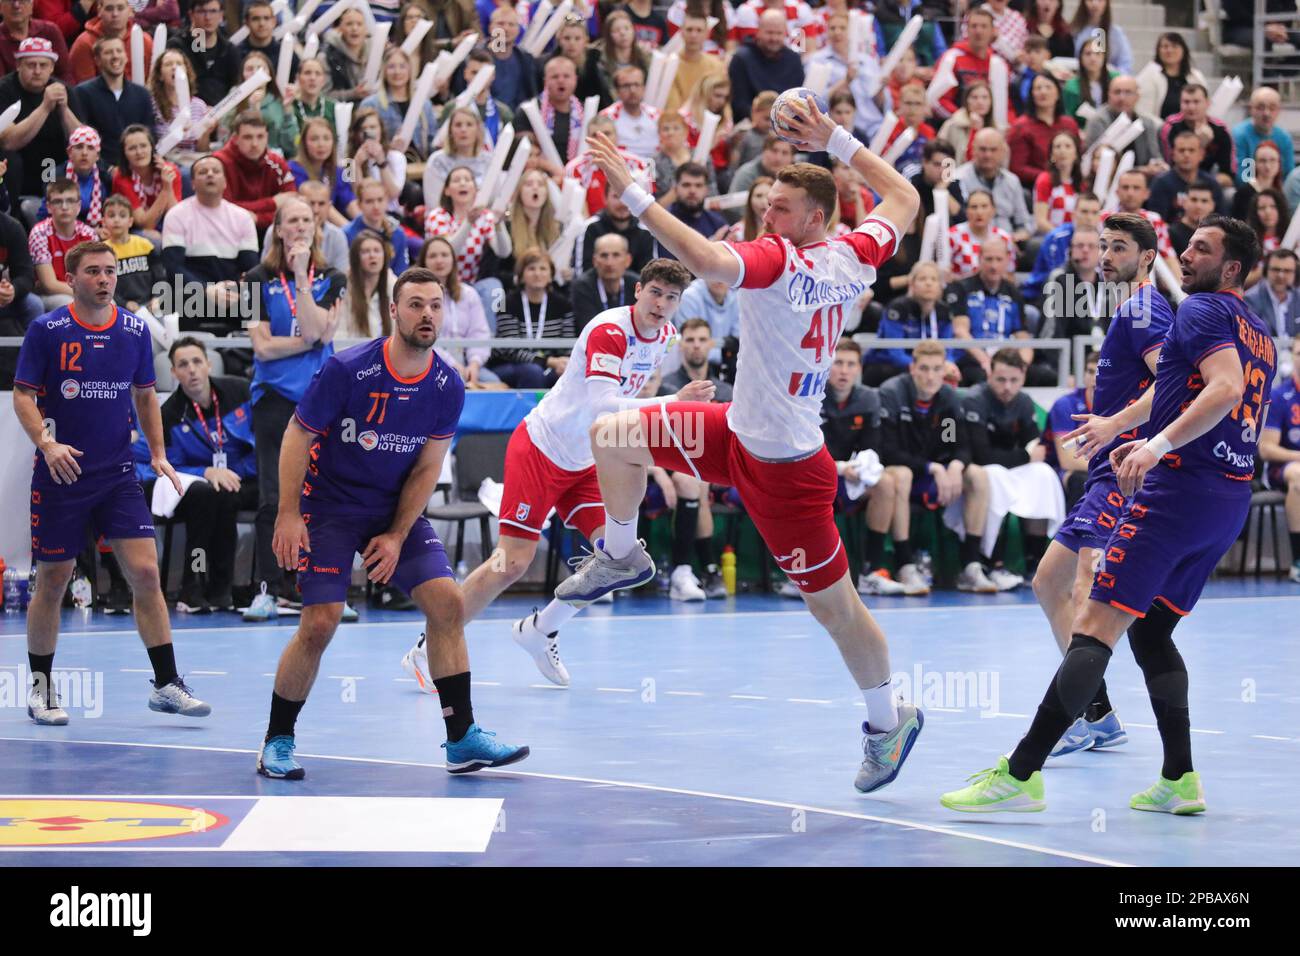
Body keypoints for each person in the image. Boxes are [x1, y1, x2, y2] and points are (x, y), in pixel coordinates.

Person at [558, 95, 926, 793]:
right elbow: (903, 193)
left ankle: (888, 721)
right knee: (612, 433)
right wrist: (833, 138)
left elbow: (699, 255)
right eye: (766, 206)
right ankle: (620, 552)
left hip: (789, 471)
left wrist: (629, 189)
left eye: (781, 209)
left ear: (814, 219)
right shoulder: (855, 252)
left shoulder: (784, 262)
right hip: (734, 432)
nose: (768, 217)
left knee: (836, 610)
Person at [941, 215, 1270, 816]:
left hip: (1175, 492)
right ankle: (1179, 779)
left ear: (1231, 269)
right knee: (1148, 629)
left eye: (1201, 248)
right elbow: (1197, 387)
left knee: (1093, 624)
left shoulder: (1192, 311)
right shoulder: (1259, 330)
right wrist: (1125, 427)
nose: (1185, 253)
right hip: (1228, 497)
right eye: (1187, 241)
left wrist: (1152, 445)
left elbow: (1221, 390)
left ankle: (1020, 775)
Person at [257, 267, 529, 780]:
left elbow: (428, 467)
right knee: (320, 622)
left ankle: (462, 738)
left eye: (435, 305)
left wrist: (398, 533)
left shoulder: (446, 384)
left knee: (447, 605)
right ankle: (277, 739)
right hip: (328, 505)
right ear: (394, 312)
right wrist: (288, 514)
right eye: (416, 304)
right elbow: (298, 436)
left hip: (391, 509)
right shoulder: (347, 369)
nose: (427, 314)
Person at [401, 258, 702, 688]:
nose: (661, 303)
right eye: (655, 292)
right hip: (542, 449)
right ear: (638, 292)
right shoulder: (609, 331)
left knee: (619, 560)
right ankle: (428, 645)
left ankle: (540, 630)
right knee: (511, 563)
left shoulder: (666, 336)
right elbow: (602, 404)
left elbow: (632, 402)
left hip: (586, 461)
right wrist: (674, 402)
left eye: (672, 297)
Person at [13, 241, 210, 725]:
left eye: (110, 272)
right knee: (54, 581)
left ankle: (166, 684)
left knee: (145, 572)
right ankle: (40, 690)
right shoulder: (47, 330)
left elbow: (145, 396)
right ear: (71, 276)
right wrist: (47, 443)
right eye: (94, 272)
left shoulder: (134, 331)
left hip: (118, 473)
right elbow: (22, 397)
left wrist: (159, 454)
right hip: (62, 473)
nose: (104, 279)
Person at [243, 195, 347, 621]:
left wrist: (304, 279)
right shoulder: (256, 277)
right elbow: (263, 348)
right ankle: (268, 588)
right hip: (273, 401)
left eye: (307, 220)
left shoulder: (333, 277)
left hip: (320, 399)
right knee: (273, 496)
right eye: (293, 221)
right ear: (279, 229)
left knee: (320, 496)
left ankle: (318, 586)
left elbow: (319, 333)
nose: (301, 226)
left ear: (315, 227)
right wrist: (308, 338)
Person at [150, 336, 258, 613]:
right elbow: (169, 464)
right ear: (173, 373)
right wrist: (207, 471)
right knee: (215, 497)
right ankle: (205, 586)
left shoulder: (241, 392)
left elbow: (262, 446)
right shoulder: (169, 414)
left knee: (276, 493)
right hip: (203, 486)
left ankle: (273, 585)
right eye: (183, 365)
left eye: (197, 362)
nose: (192, 370)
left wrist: (231, 472)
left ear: (209, 365)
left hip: (244, 476)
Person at [814, 339, 915, 597]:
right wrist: (838, 467)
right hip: (817, 475)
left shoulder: (869, 398)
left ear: (859, 368)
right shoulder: (812, 396)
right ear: (826, 365)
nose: (844, 371)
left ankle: (871, 572)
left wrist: (858, 467)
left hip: (852, 476)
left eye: (850, 364)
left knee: (886, 483)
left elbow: (873, 447)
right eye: (838, 363)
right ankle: (803, 574)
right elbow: (804, 447)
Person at [960, 348, 1061, 587]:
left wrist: (1026, 456)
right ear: (989, 375)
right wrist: (1025, 456)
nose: (1007, 387)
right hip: (981, 470)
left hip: (1011, 466)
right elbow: (982, 455)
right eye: (1001, 380)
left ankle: (1035, 562)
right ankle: (990, 562)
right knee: (994, 476)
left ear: (1023, 377)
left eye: (1014, 380)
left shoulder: (1024, 402)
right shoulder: (974, 400)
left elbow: (1036, 447)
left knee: (1043, 475)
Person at [159, 153, 259, 330]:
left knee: (256, 297)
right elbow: (174, 268)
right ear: (193, 183)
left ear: (225, 182)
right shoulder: (176, 215)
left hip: (230, 291)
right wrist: (206, 290)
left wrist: (232, 289)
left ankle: (247, 355)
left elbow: (250, 267)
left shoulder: (242, 217)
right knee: (171, 298)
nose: (210, 174)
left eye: (216, 171)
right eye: (203, 171)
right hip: (191, 292)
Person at [0, 36, 80, 207]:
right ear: (18, 65)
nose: (37, 71)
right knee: (11, 159)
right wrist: (44, 107)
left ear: (51, 68)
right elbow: (8, 141)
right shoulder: (4, 90)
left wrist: (64, 109)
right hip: (16, 166)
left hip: (50, 164)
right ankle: (12, 212)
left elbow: (83, 140)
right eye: (31, 65)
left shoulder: (63, 90)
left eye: (43, 65)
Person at [944, 235, 1034, 385]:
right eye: (989, 259)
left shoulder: (1013, 292)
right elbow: (960, 331)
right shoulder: (961, 288)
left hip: (1005, 358)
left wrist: (1022, 365)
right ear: (979, 259)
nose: (994, 266)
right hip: (972, 357)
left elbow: (1022, 335)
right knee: (981, 376)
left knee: (1045, 376)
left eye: (999, 260)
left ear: (1007, 261)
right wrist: (986, 361)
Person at [419, 234, 500, 387]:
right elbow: (423, 340)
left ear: (453, 260)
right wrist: (452, 364)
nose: (439, 260)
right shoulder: (418, 297)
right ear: (424, 261)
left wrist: (474, 363)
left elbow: (479, 333)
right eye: (433, 256)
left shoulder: (468, 294)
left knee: (495, 384)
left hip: (467, 364)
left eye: (444, 255)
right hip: (430, 364)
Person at [488, 249, 573, 387]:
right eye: (531, 269)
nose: (537, 274)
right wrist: (547, 361)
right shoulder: (507, 303)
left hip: (551, 364)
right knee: (533, 372)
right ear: (521, 276)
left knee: (567, 373)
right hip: (511, 365)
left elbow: (567, 344)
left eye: (543, 268)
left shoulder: (564, 305)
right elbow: (511, 350)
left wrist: (562, 362)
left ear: (551, 275)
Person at [865, 261, 955, 387]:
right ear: (912, 284)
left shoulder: (944, 311)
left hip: (927, 366)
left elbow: (948, 347)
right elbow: (895, 353)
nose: (928, 283)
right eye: (922, 279)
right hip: (889, 363)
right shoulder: (897, 308)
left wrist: (948, 364)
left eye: (934, 279)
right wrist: (922, 367)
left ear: (940, 286)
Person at [69, 35, 154, 167]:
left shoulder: (142, 94)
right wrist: (106, 169)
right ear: (97, 60)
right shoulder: (83, 93)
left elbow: (150, 134)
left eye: (119, 51)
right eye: (108, 52)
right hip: (99, 169)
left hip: (136, 168)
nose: (115, 56)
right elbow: (82, 136)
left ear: (126, 57)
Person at [214, 110, 298, 233]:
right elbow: (221, 210)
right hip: (229, 232)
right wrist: (273, 203)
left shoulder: (276, 162)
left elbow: (293, 207)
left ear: (267, 137)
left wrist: (259, 219)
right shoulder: (219, 163)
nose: (255, 144)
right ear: (235, 138)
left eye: (260, 137)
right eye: (248, 137)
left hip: (270, 230)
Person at [1260, 336, 1300, 583]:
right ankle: (1298, 560)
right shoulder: (1279, 395)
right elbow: (1266, 449)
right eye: (1299, 353)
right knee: (1298, 475)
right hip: (1282, 468)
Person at [29, 177, 96, 309]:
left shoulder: (89, 234)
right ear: (48, 207)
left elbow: (95, 275)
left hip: (83, 291)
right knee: (71, 305)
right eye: (58, 202)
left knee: (110, 305)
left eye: (70, 201)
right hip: (49, 296)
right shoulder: (40, 233)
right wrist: (87, 294)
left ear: (79, 206)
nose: (64, 207)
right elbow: (49, 285)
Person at [1044, 349, 1099, 510]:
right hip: (1060, 470)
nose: (1094, 378)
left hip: (1099, 466)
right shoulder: (1066, 405)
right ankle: (1073, 534)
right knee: (1082, 481)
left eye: (1101, 372)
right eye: (1090, 371)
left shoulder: (1122, 406)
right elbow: (1068, 459)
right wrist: (1109, 467)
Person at [727, 9, 803, 124]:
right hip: (752, 125)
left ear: (785, 33)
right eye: (769, 33)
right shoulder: (741, 59)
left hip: (787, 125)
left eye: (779, 33)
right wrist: (767, 122)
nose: (774, 38)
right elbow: (739, 104)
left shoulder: (794, 59)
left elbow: (798, 100)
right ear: (758, 31)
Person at [1007, 73, 1079, 190]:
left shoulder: (1069, 124)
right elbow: (1017, 167)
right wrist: (1049, 177)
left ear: (1057, 93)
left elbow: (1078, 157)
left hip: (1069, 183)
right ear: (1032, 94)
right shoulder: (1021, 127)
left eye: (1048, 87)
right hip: (1034, 187)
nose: (1043, 92)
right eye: (1038, 88)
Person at [111, 124, 181, 243]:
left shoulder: (170, 170)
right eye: (132, 148)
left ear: (152, 148)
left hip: (165, 222)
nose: (139, 152)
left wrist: (168, 184)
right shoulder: (121, 178)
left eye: (143, 146)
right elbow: (144, 224)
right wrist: (165, 190)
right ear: (125, 154)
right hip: (134, 229)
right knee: (156, 240)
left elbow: (177, 217)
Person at [1158, 84, 1237, 189]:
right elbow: (1171, 167)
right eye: (1186, 102)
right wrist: (1199, 145)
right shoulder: (1170, 127)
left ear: (1207, 103)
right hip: (1175, 182)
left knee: (1229, 193)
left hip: (1210, 182)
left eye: (1196, 102)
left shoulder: (1220, 129)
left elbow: (1229, 174)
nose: (1191, 107)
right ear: (1180, 104)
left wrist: (1205, 183)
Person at [168, 0, 238, 108]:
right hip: (186, 110)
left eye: (213, 11)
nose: (208, 17)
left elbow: (236, 86)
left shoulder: (229, 49)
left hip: (223, 112)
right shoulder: (178, 46)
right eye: (201, 11)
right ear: (191, 14)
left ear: (221, 14)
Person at [1148, 130, 1227, 225]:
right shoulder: (1161, 183)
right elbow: (1158, 222)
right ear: (1173, 154)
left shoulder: (1212, 184)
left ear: (1201, 154)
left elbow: (1222, 221)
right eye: (1181, 150)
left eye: (1191, 150)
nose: (1186, 155)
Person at [576, 177, 654, 272]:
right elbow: (582, 275)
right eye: (616, 196)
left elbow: (649, 276)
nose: (623, 203)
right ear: (605, 198)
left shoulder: (645, 233)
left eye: (628, 197)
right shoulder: (590, 228)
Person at [290, 118, 356, 228]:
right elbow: (324, 207)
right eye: (314, 139)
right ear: (304, 143)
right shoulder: (293, 170)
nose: (321, 144)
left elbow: (351, 203)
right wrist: (352, 234)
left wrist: (366, 227)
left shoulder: (339, 171)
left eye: (326, 138)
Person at [67, 0, 150, 84]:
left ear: (130, 11)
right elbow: (84, 91)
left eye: (120, 8)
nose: (115, 14)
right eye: (109, 9)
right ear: (99, 11)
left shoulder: (145, 40)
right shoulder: (84, 43)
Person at [149, 47, 210, 156]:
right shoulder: (151, 105)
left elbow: (202, 151)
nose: (174, 67)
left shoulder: (199, 105)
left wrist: (205, 132)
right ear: (160, 75)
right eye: (168, 64)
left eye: (179, 63)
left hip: (191, 162)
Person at [571, 232, 638, 326]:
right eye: (604, 255)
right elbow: (588, 326)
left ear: (628, 260)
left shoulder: (637, 285)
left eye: (616, 255)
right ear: (594, 261)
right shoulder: (582, 287)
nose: (609, 263)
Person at [1136, 31, 1207, 120]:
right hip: (1160, 129)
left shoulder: (1196, 76)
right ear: (1158, 51)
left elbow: (1205, 108)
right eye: (1165, 47)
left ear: (1184, 50)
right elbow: (1144, 112)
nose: (1169, 50)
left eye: (1174, 46)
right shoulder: (1148, 75)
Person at [346, 178, 410, 275]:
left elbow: (401, 273)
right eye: (369, 201)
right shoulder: (347, 234)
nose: (376, 206)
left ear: (387, 201)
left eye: (380, 200)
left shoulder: (398, 234)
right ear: (359, 205)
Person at [1232, 86, 1294, 181]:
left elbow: (1289, 175)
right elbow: (1242, 177)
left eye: (1272, 108)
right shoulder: (1239, 135)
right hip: (1249, 191)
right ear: (1251, 109)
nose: (1266, 113)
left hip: (1278, 192)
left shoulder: (1285, 138)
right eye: (1260, 107)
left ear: (1279, 110)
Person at [1245, 248, 1300, 339]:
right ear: (1266, 271)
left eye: (1287, 271)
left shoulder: (1298, 297)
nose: (1281, 275)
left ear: (1296, 273)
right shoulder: (1250, 300)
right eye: (1276, 270)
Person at [1070, 0, 1131, 74]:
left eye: (1100, 0)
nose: (1095, 4)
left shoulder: (1116, 33)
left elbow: (1125, 65)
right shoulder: (1074, 31)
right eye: (1090, 0)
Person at [1168, 181, 1217, 258]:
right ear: (1184, 202)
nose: (1198, 206)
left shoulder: (1216, 235)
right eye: (1194, 200)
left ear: (1212, 205)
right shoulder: (1171, 233)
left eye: (1204, 201)